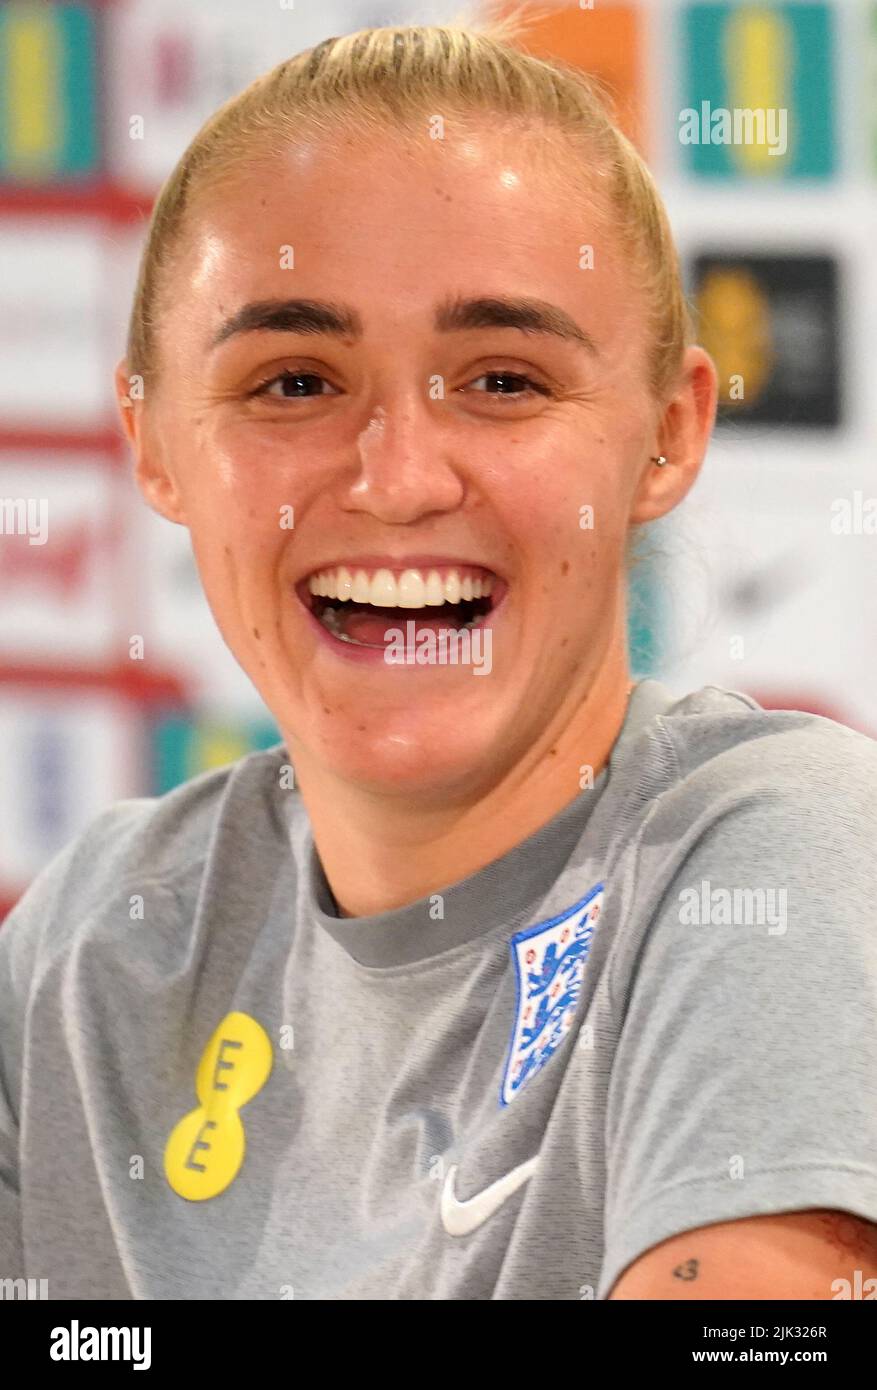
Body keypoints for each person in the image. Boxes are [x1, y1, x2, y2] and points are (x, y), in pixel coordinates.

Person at [1, 20, 875, 1302]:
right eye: (294, 382)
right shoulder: (96, 944)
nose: (398, 479)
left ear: (667, 436)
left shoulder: (777, 852)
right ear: (155, 441)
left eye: (504, 381)